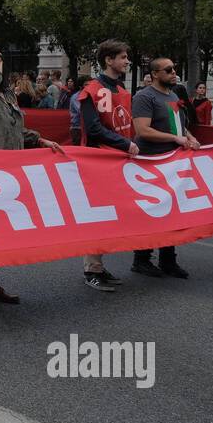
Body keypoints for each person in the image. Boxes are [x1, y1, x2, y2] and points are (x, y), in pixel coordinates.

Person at [0, 45, 65, 307]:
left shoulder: (7, 96)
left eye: (1, 57)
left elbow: (14, 130)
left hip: (8, 175)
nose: (0, 62)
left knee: (1, 230)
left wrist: (40, 140)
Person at [75, 41, 140, 292]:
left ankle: (98, 265)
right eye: (123, 57)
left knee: (112, 216)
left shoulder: (120, 88)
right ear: (108, 60)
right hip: (98, 161)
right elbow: (93, 129)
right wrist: (124, 143)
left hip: (118, 160)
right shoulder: (93, 90)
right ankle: (91, 269)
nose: (127, 61)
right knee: (99, 215)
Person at [131, 58, 199, 279]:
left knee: (173, 212)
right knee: (152, 213)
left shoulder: (173, 96)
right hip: (151, 162)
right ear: (154, 74)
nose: (174, 73)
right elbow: (142, 130)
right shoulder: (144, 97)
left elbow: (180, 126)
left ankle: (168, 259)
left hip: (172, 162)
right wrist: (176, 138)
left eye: (174, 69)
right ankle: (141, 259)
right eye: (168, 70)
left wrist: (189, 137)